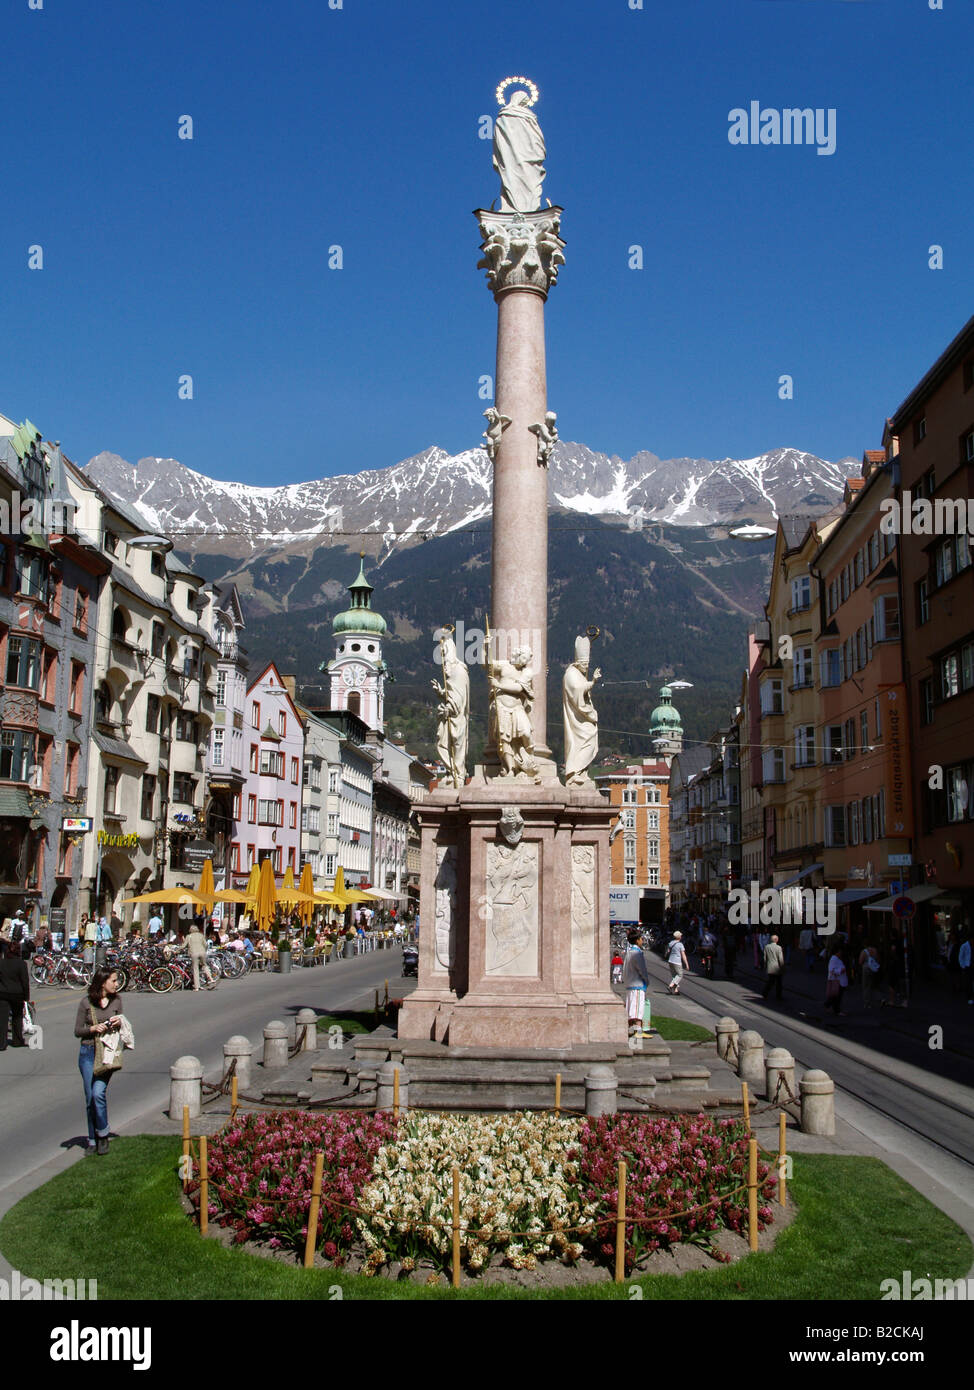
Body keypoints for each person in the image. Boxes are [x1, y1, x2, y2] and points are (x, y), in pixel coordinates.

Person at [75, 967, 124, 1154]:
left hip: (107, 1053)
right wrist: (92, 1029)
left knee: (98, 1093)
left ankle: (103, 1134)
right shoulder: (86, 1003)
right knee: (90, 1098)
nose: (116, 984)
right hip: (88, 1051)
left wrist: (119, 1022)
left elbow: (122, 1022)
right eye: (113, 980)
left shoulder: (117, 1001)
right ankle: (93, 1139)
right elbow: (77, 1030)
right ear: (103, 983)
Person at [0, 941, 30, 1049]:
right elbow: (25, 982)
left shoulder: (1, 963)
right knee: (17, 1018)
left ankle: (1, 1043)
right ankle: (17, 1040)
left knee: (2, 1019)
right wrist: (26, 997)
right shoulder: (22, 964)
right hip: (17, 994)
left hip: (3, 993)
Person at [622, 928, 649, 1033]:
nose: (642, 940)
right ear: (637, 940)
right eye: (641, 938)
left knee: (631, 1008)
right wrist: (646, 981)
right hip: (637, 984)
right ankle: (638, 1032)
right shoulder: (637, 953)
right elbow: (642, 969)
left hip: (630, 984)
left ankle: (630, 1030)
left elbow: (624, 969)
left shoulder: (629, 952)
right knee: (637, 1010)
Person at [185, 923, 216, 991]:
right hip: (202, 953)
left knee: (195, 969)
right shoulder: (201, 935)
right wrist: (204, 950)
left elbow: (184, 945)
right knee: (204, 965)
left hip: (194, 953)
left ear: (190, 930)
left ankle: (197, 987)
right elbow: (205, 944)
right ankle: (211, 978)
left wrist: (177, 950)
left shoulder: (189, 936)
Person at [825, 946, 848, 1017]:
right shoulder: (834, 959)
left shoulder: (837, 959)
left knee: (835, 995)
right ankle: (836, 1010)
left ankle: (828, 1005)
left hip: (839, 980)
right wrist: (840, 971)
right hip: (837, 980)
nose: (841, 953)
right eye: (839, 952)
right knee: (837, 996)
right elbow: (831, 970)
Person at [762, 934, 785, 1001]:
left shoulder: (767, 947)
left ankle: (765, 992)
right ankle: (778, 996)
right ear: (776, 940)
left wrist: (765, 966)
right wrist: (782, 967)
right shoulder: (779, 948)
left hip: (770, 967)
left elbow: (765, 958)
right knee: (779, 983)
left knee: (770, 981)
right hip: (777, 968)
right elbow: (780, 959)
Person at [858, 943, 882, 1009]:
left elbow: (860, 961)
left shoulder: (864, 951)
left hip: (866, 969)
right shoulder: (875, 950)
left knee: (866, 986)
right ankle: (879, 998)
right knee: (873, 985)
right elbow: (878, 960)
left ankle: (867, 1003)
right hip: (874, 969)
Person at [666, 930, 689, 996]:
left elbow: (668, 951)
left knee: (674, 975)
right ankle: (671, 985)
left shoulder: (671, 943)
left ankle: (676, 991)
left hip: (670, 961)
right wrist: (686, 964)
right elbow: (683, 955)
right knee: (680, 975)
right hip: (677, 962)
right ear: (679, 937)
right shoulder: (680, 945)